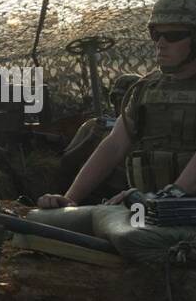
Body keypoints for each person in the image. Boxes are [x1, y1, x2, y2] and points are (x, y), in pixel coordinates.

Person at [37, 0, 196, 238]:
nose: (161, 43)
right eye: (156, 34)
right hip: (145, 215)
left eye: (173, 35)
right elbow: (114, 145)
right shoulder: (146, 88)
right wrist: (70, 200)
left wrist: (168, 198)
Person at [54, 73, 141, 203]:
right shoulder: (93, 126)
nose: (121, 104)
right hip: (89, 194)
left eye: (127, 100)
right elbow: (65, 164)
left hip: (124, 198)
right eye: (117, 99)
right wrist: (91, 139)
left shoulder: (147, 132)